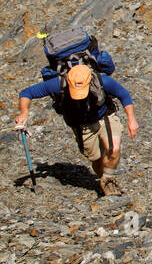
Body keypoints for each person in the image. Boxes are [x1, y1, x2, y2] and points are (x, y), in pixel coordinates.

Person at [15, 61, 139, 196]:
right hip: (82, 126)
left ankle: (108, 179)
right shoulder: (58, 84)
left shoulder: (102, 81)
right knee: (96, 158)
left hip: (105, 117)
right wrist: (24, 112)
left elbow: (124, 95)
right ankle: (104, 177)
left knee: (113, 149)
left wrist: (131, 119)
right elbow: (27, 93)